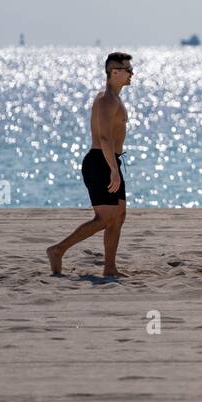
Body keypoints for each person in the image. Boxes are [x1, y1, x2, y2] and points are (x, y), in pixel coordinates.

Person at [46, 52, 134, 278]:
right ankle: (58, 250)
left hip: (110, 161)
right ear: (114, 72)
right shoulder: (106, 100)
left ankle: (110, 267)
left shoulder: (115, 97)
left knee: (119, 216)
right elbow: (104, 138)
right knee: (104, 218)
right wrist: (113, 169)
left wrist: (115, 165)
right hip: (100, 162)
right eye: (128, 69)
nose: (132, 73)